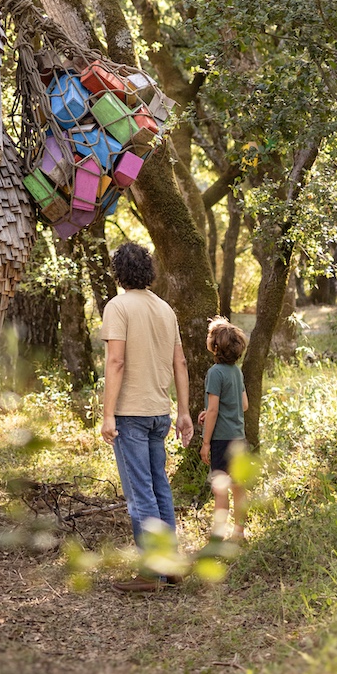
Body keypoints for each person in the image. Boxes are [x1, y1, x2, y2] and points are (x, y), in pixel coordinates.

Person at [99, 241, 194, 588]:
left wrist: (108, 414)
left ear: (119, 273)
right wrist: (183, 412)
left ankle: (151, 572)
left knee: (140, 494)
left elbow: (116, 361)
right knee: (159, 488)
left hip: (130, 414)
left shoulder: (118, 306)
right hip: (159, 413)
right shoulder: (165, 309)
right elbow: (180, 362)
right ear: (148, 272)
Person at [199, 316, 249, 542]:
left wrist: (205, 443)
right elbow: (244, 405)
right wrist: (211, 410)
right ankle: (239, 532)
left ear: (215, 346)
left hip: (221, 440)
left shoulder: (215, 372)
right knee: (238, 487)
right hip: (239, 438)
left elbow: (213, 410)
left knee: (220, 488)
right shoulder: (236, 372)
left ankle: (218, 535)